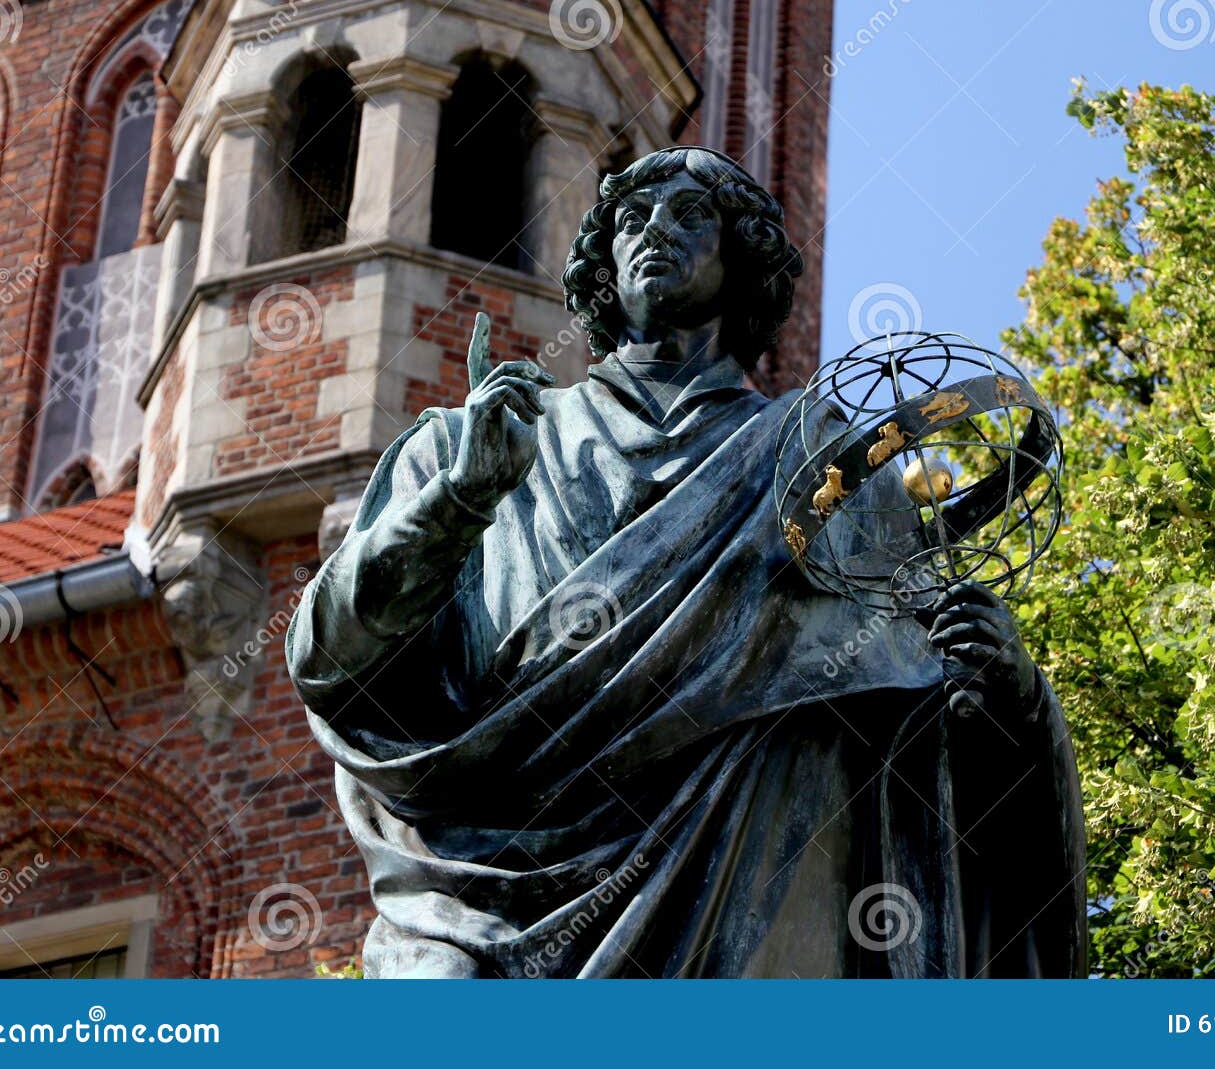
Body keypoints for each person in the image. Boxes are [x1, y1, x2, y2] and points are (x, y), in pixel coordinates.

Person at [286, 147, 1085, 977]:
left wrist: (1013, 698)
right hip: (478, 902)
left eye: (688, 214)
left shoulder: (825, 472)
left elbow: (923, 738)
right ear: (603, 269)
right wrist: (458, 500)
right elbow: (330, 657)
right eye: (630, 219)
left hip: (763, 880)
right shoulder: (473, 445)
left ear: (743, 259)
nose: (653, 230)